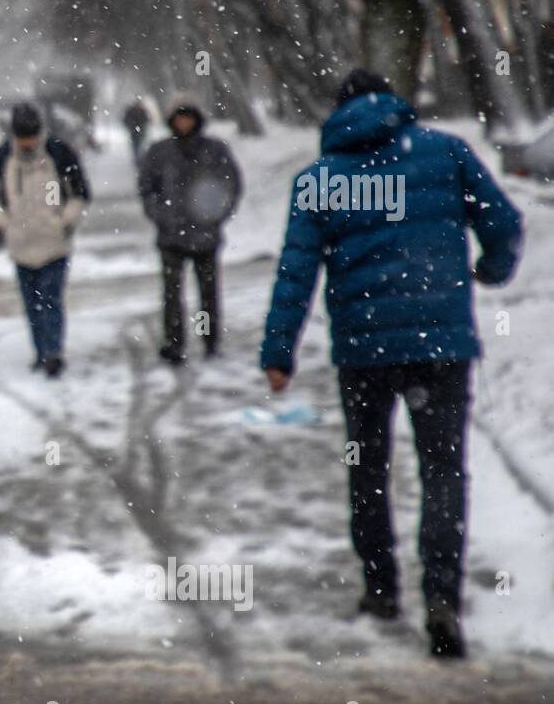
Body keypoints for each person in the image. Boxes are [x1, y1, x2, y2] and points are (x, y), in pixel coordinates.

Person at [259, 68, 523, 659]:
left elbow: (295, 272)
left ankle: (381, 589)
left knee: (368, 468)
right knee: (444, 471)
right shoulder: (447, 153)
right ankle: (442, 598)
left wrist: (279, 352)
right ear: (395, 104)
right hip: (441, 348)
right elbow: (504, 223)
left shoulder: (321, 181)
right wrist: (492, 269)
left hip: (364, 354)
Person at [0, 102, 90, 377]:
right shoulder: (2, 157)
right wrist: (4, 223)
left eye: (31, 136)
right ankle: (40, 352)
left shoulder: (59, 152)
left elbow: (79, 193)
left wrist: (64, 221)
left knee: (51, 299)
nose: (27, 143)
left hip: (54, 243)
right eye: (22, 137)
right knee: (31, 304)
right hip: (20, 244)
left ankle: (53, 352)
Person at [139, 96, 242, 364]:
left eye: (189, 116)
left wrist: (215, 215)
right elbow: (147, 188)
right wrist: (161, 215)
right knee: (172, 295)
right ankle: (174, 343)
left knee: (208, 294)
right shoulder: (159, 152)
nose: (184, 122)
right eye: (179, 117)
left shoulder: (215, 150)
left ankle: (209, 340)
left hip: (205, 236)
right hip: (170, 236)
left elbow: (231, 185)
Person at [122, 96, 152, 164]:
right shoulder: (132, 110)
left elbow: (147, 119)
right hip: (134, 131)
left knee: (140, 144)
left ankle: (139, 158)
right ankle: (137, 158)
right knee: (136, 145)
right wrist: (131, 125)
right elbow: (126, 119)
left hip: (141, 131)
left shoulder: (143, 110)